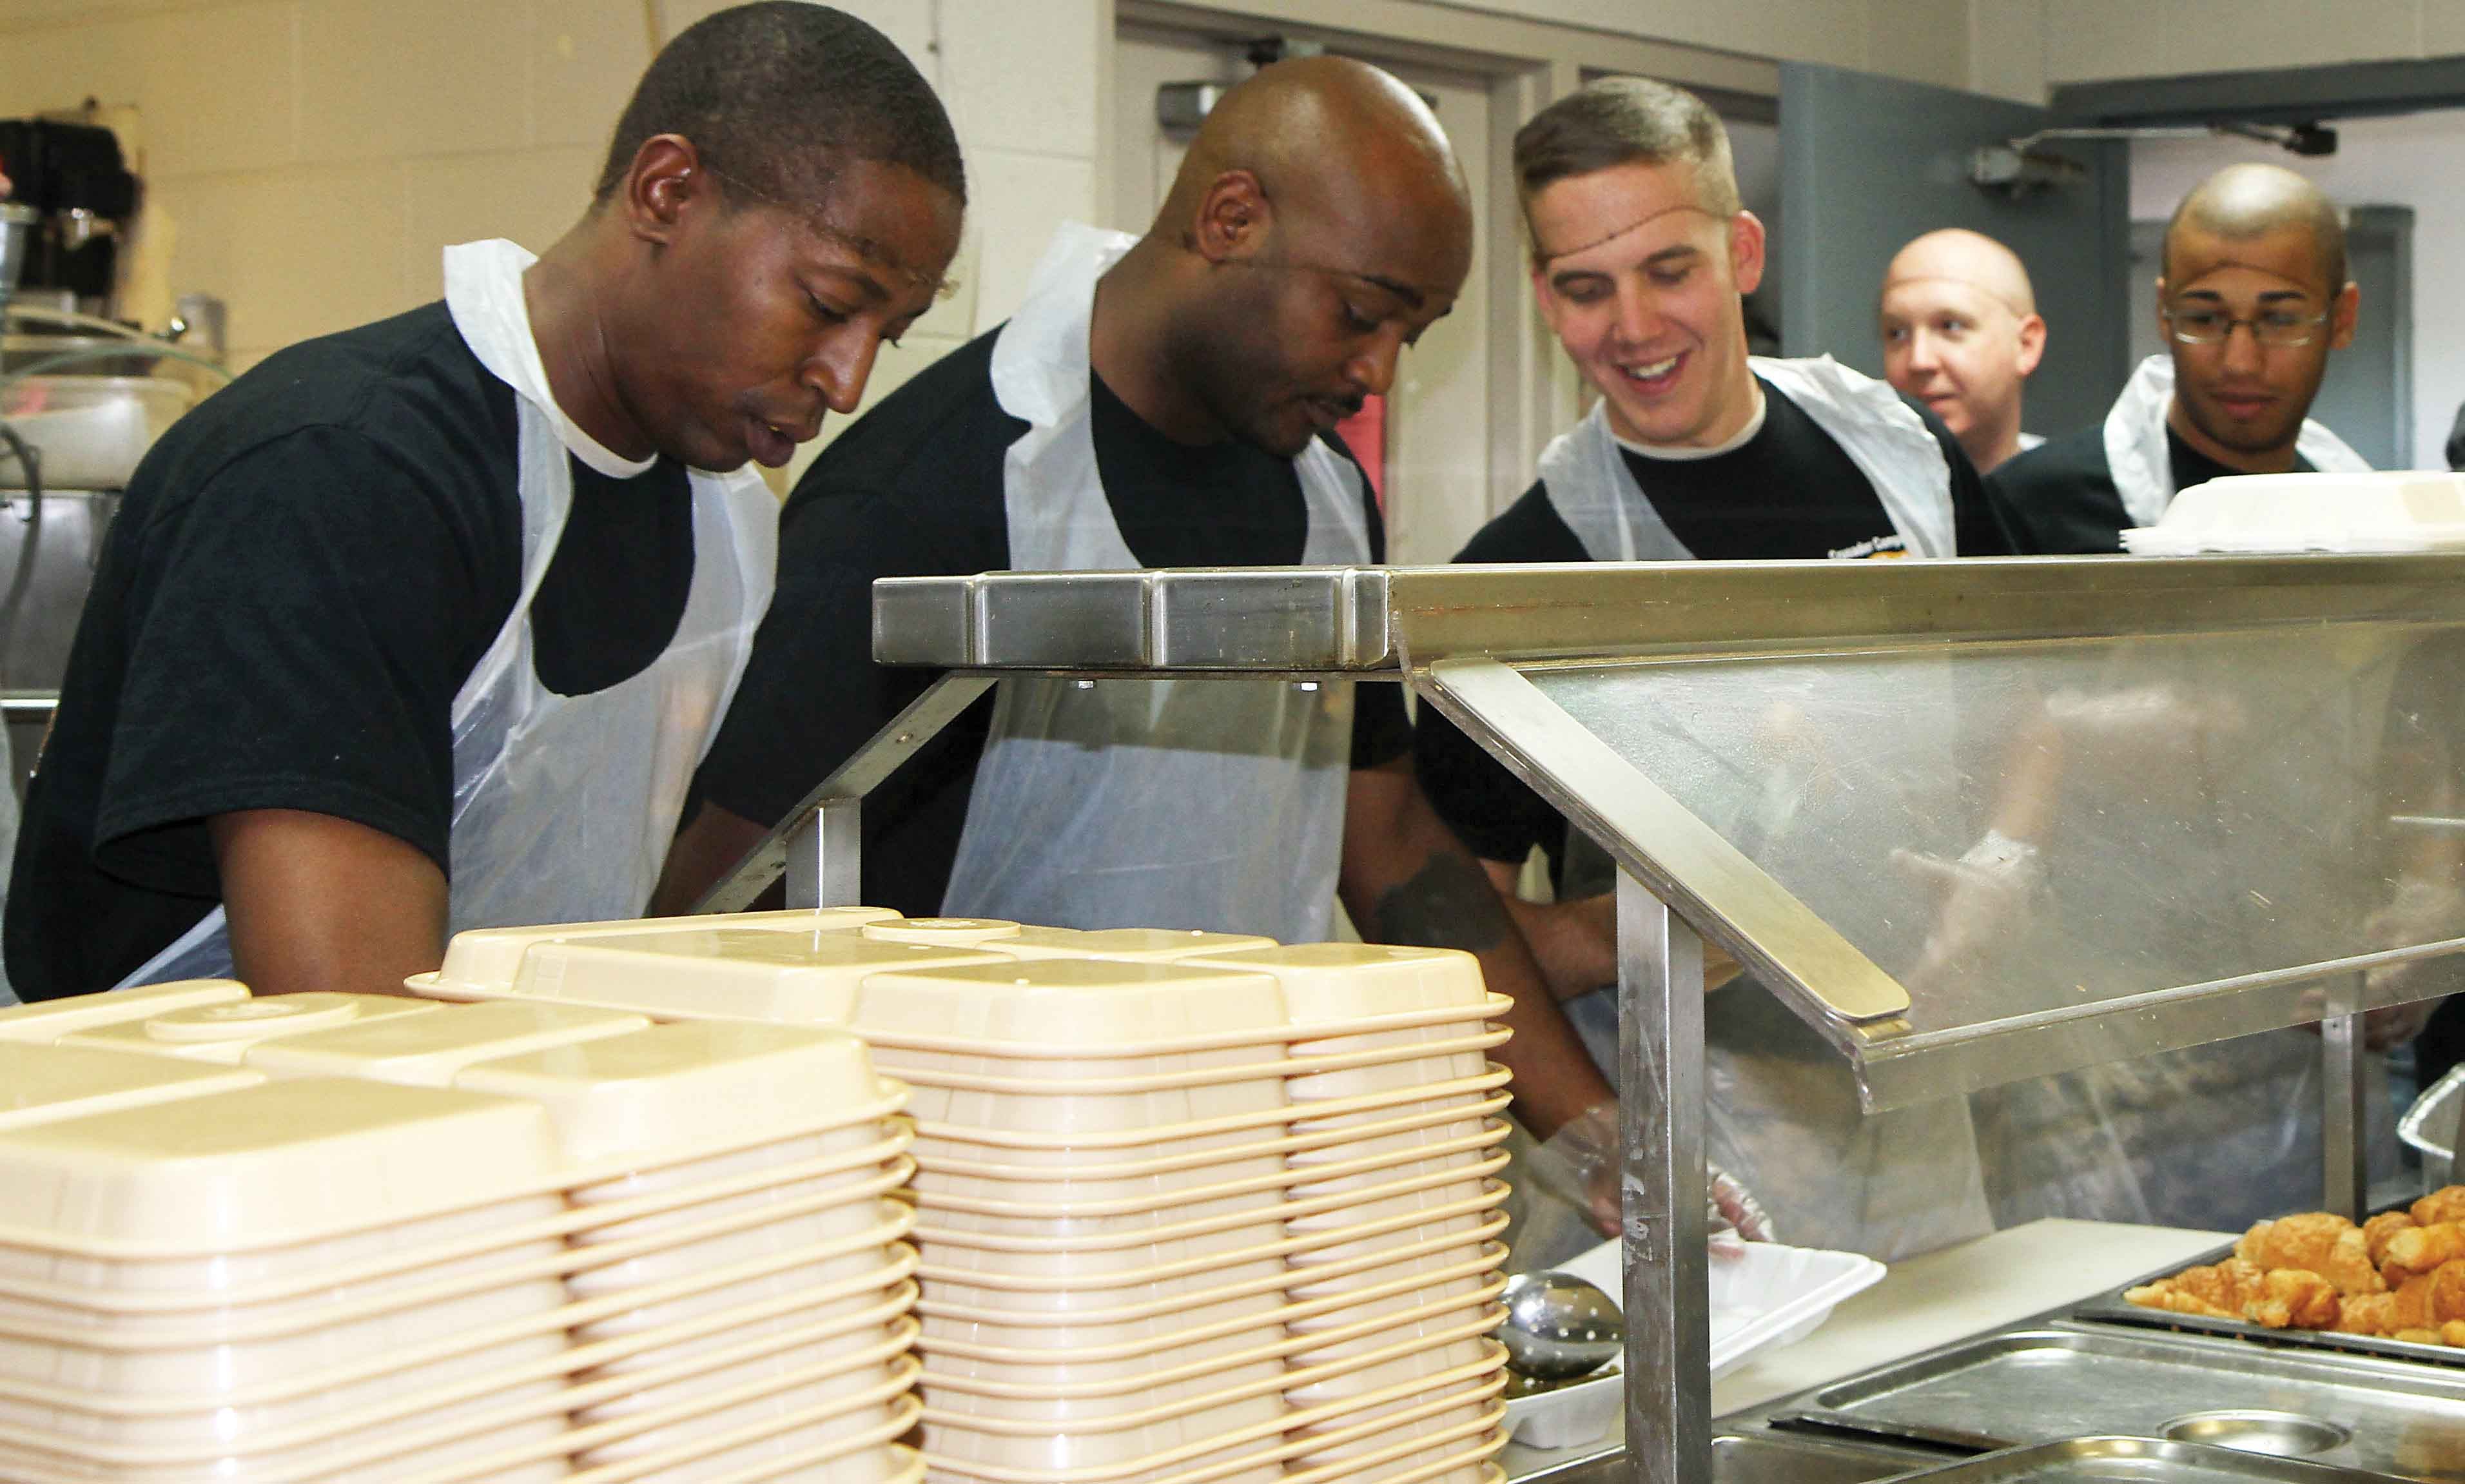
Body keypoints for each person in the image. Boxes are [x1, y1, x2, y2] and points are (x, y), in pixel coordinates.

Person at [654, 57, 1624, 1177]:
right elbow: (726, 908)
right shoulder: (938, 489)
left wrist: (1590, 1130)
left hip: (1239, 1164)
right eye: (1359, 315)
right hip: (972, 1193)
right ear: (1228, 218)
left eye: (1414, 331)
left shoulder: (1323, 493)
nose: (1378, 372)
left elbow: (1389, 841)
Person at [5, 3, 965, 1002]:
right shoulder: (341, 473)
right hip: (185, 1127)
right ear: (667, 192)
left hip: (499, 1104)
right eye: (825, 303)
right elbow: (348, 1018)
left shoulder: (723, 517)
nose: (849, 383)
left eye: (885, 337)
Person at [1410, 76, 2019, 1264]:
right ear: (1542, 295)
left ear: (1739, 251)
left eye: (1667, 269)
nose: (1631, 326)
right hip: (1693, 1140)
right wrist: (1655, 925)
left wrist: (2001, 862)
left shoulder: (1897, 454)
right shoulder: (1526, 570)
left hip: (1920, 1103)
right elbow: (1450, 941)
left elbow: (2022, 701)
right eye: (1584, 289)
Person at [1992, 162, 2366, 553]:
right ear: (2164, 312)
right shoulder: (2033, 507)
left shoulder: (2367, 517)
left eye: (2280, 320)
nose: (2240, 362)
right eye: (2204, 318)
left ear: (2342, 319)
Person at [1879, 228, 2046, 473]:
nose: (1919, 361)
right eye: (1897, 333)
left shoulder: (2077, 502)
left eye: (1951, 327)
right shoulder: (1844, 504)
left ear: (2025, 345)